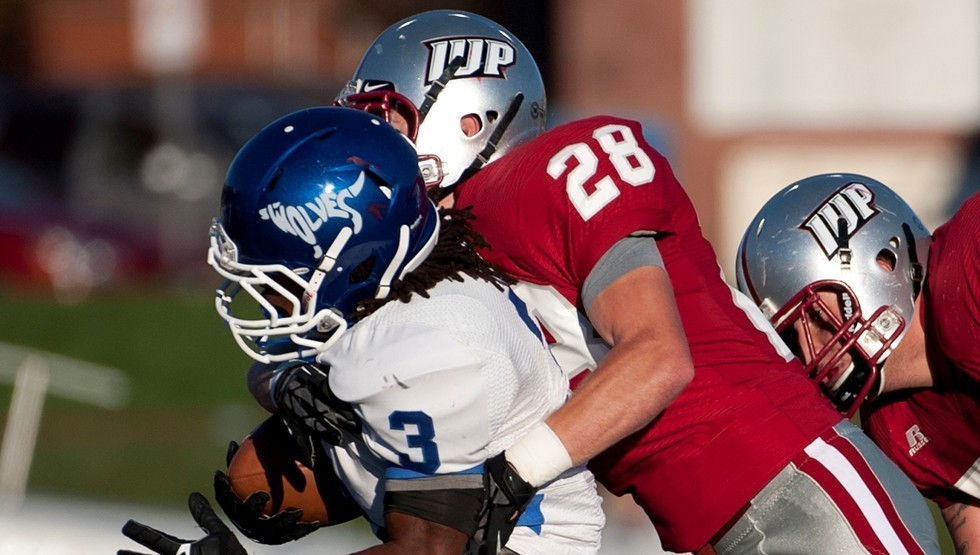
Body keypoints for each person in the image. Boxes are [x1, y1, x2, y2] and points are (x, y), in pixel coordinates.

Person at [326, 9, 942, 555]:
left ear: (467, 116)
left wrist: (511, 476)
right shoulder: (451, 245)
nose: (378, 149)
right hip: (711, 523)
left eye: (391, 119)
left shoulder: (545, 177)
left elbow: (656, 358)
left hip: (796, 486)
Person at [118, 106, 604, 555]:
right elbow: (276, 372)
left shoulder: (436, 345)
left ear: (352, 257)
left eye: (283, 280)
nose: (272, 301)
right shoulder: (393, 294)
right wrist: (286, 384)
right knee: (258, 473)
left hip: (513, 545)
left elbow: (425, 552)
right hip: (463, 522)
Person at [736, 173, 980, 553]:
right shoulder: (898, 426)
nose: (807, 353)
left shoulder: (971, 266)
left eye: (815, 319)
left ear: (883, 261)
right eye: (790, 341)